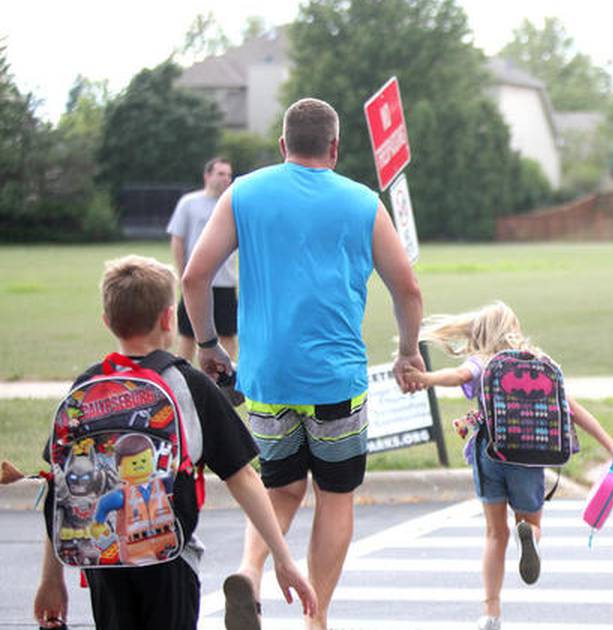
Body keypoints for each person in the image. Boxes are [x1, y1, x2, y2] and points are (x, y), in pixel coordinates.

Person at [181, 98, 425, 630]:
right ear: (335, 148)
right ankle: (318, 618)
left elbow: (194, 277)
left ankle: (249, 569)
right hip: (336, 381)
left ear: (282, 146)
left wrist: (207, 344)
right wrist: (407, 351)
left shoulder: (243, 192)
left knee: (281, 487)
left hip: (265, 378)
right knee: (335, 496)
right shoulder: (362, 202)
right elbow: (407, 288)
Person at [33, 255, 316, 630]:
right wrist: (283, 559)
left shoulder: (85, 389)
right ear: (169, 319)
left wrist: (51, 580)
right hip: (170, 559)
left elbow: (60, 485)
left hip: (104, 562)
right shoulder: (188, 384)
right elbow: (243, 478)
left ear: (107, 322)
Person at [405, 301, 613, 630]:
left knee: (495, 534)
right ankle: (532, 538)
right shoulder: (539, 363)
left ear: (479, 332)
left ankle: (491, 613)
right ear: (515, 328)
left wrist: (425, 378)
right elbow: (572, 409)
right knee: (530, 522)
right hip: (529, 457)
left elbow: (457, 376)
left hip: (490, 454)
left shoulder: (481, 362)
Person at [167, 157, 237, 363]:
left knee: (227, 335)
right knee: (189, 336)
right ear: (207, 176)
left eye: (229, 175)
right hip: (197, 280)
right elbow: (178, 240)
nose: (226, 178)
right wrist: (182, 274)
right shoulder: (189, 203)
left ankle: (224, 386)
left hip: (225, 282)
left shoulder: (233, 203)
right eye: (221, 173)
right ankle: (185, 381)